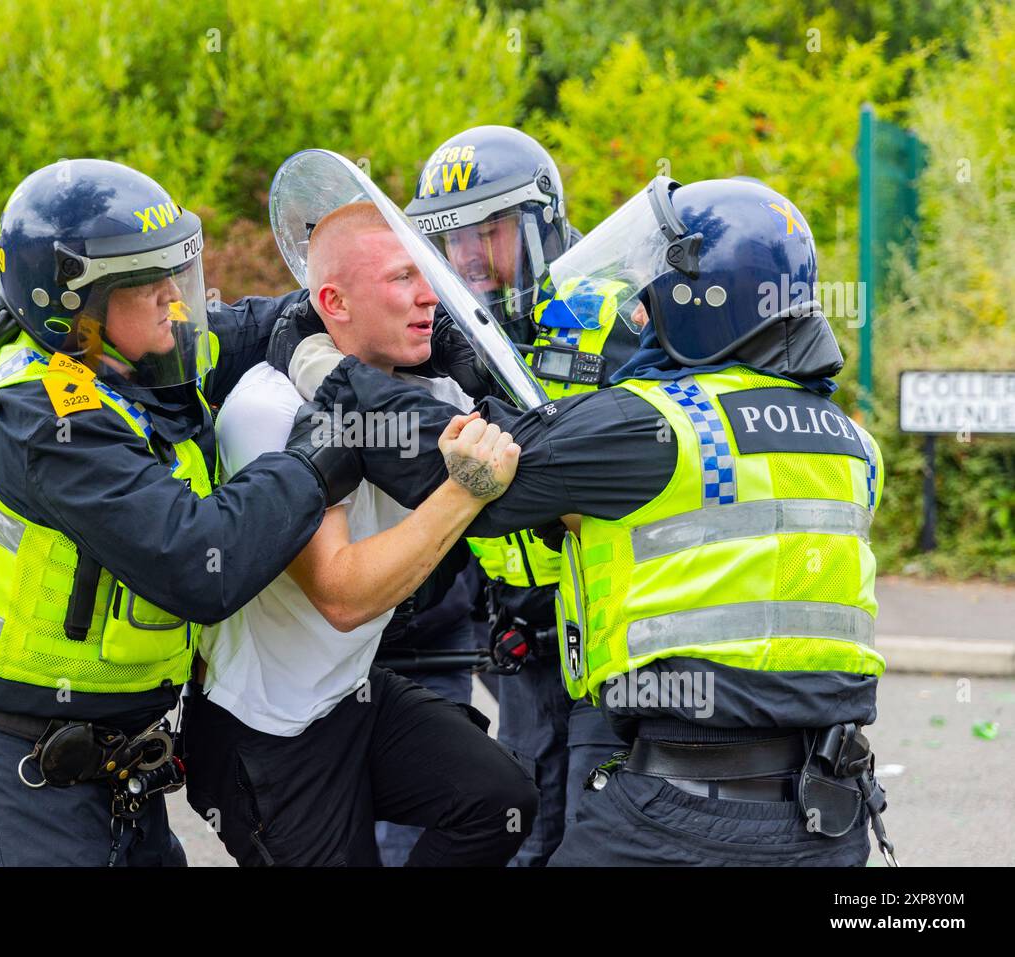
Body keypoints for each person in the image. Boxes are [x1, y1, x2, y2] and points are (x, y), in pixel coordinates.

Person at [286, 176, 895, 867]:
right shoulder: (849, 442)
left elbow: (467, 467)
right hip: (825, 816)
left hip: (675, 816)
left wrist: (328, 372)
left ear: (704, 298)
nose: (638, 302)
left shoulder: (664, 425)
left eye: (655, 281)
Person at [0, 158, 362, 867]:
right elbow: (197, 563)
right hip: (13, 763)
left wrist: (339, 306)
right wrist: (314, 464)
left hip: (116, 760)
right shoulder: (42, 416)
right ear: (71, 307)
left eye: (172, 275)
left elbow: (250, 324)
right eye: (143, 284)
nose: (172, 301)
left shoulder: (130, 354)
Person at [184, 201, 539, 867]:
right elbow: (341, 595)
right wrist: (464, 490)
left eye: (429, 274)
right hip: (268, 732)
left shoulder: (430, 389)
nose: (431, 296)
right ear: (333, 302)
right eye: (403, 278)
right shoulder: (271, 408)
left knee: (499, 799)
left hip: (352, 696)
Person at [403, 125, 639, 865]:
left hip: (613, 632)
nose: (468, 255)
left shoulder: (618, 315)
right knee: (524, 829)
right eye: (452, 238)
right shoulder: (447, 328)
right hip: (520, 638)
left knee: (602, 832)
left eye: (488, 231)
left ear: (540, 221)